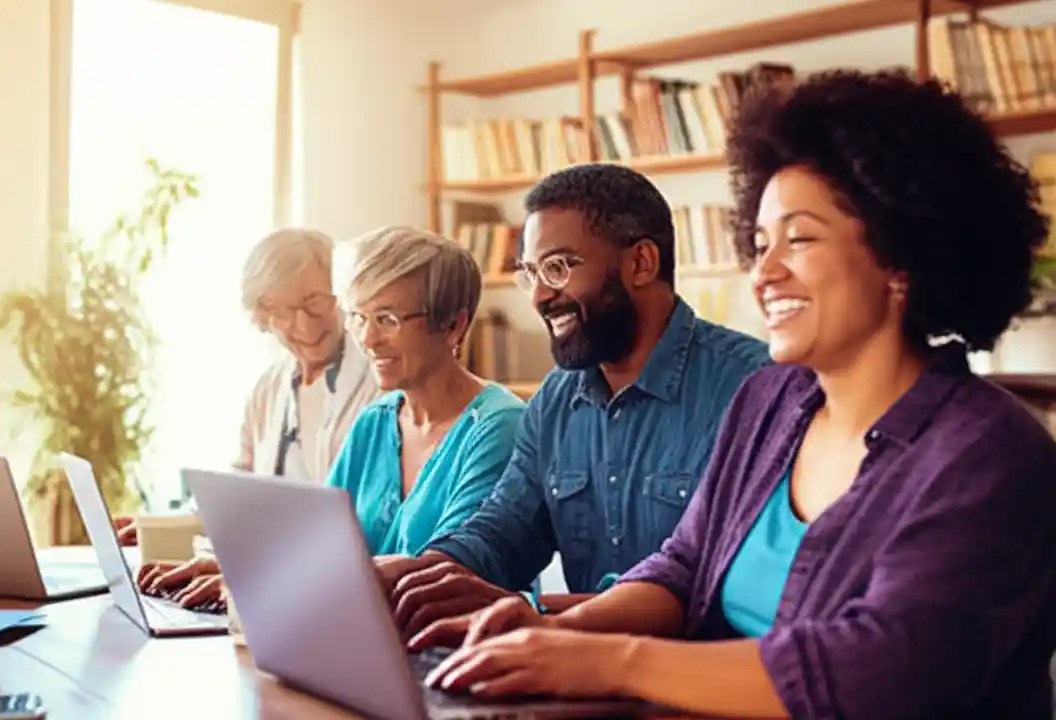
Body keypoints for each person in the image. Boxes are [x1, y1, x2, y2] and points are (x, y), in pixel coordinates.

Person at [416, 70, 1056, 720]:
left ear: (902, 255)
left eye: (799, 239)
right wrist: (556, 632)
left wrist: (613, 660)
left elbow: (882, 671)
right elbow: (685, 564)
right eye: (759, 244)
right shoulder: (770, 401)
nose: (765, 273)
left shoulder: (990, 456)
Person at [378, 163, 770, 638]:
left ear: (641, 264)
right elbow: (503, 532)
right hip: (574, 671)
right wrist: (424, 575)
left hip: (697, 687)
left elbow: (713, 590)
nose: (541, 295)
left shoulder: (753, 389)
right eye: (531, 273)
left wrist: (533, 611)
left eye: (559, 267)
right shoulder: (557, 400)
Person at [140, 226, 526, 607]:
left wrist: (271, 579)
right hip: (366, 638)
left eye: (388, 319)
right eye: (360, 318)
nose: (369, 339)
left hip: (462, 650)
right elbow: (321, 546)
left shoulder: (498, 426)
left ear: (454, 325)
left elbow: (446, 577)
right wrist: (238, 566)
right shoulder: (375, 422)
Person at [119, 227, 380, 546]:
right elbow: (240, 491)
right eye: (283, 312)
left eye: (315, 301)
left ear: (341, 294)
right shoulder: (267, 389)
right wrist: (169, 526)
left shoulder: (378, 381)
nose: (304, 325)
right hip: (273, 562)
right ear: (263, 316)